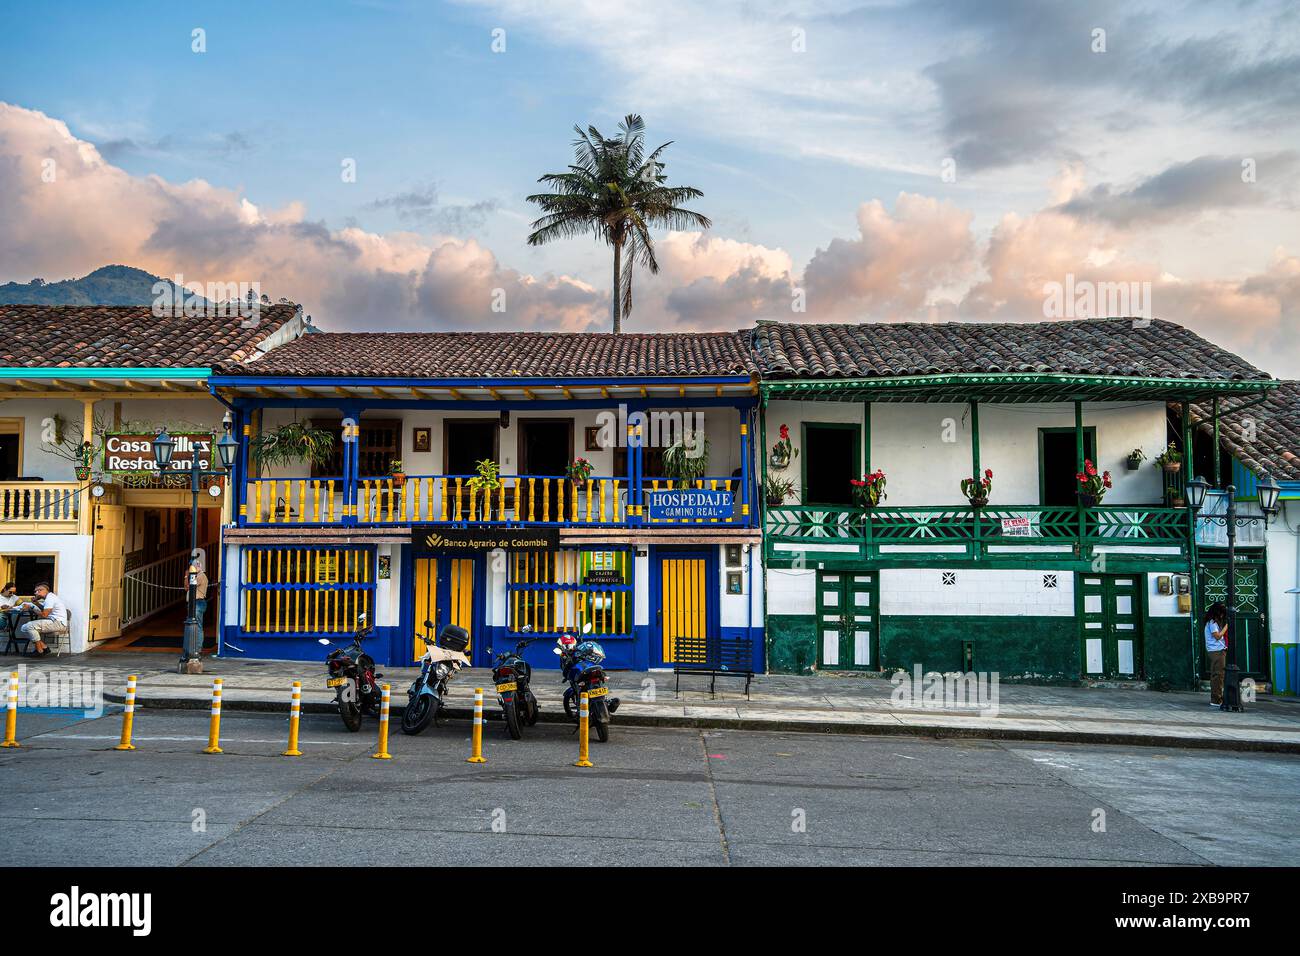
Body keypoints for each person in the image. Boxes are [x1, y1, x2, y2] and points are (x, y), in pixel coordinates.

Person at [18, 582, 69, 657]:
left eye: (39, 590)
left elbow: (44, 615)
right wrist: (36, 603)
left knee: (28, 627)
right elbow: (45, 610)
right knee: (26, 627)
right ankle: (44, 647)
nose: (36, 593)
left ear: (46, 590)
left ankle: (40, 650)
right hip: (54, 622)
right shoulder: (50, 597)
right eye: (35, 591)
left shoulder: (50, 598)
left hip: (58, 623)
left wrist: (31, 607)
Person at [1203, 602, 1229, 707]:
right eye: (1222, 613)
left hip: (1217, 650)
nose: (1223, 616)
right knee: (1218, 676)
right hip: (1216, 651)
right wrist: (1226, 627)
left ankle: (1217, 698)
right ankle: (1216, 700)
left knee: (1218, 675)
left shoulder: (1212, 622)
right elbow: (1217, 636)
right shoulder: (1213, 622)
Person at [186, 549, 210, 626]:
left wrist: (187, 576)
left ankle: (198, 638)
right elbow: (186, 587)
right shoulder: (195, 576)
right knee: (194, 625)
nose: (191, 568)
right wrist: (186, 576)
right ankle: (194, 637)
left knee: (198, 625)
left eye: (193, 566)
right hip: (193, 602)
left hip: (198, 602)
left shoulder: (201, 575)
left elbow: (190, 586)